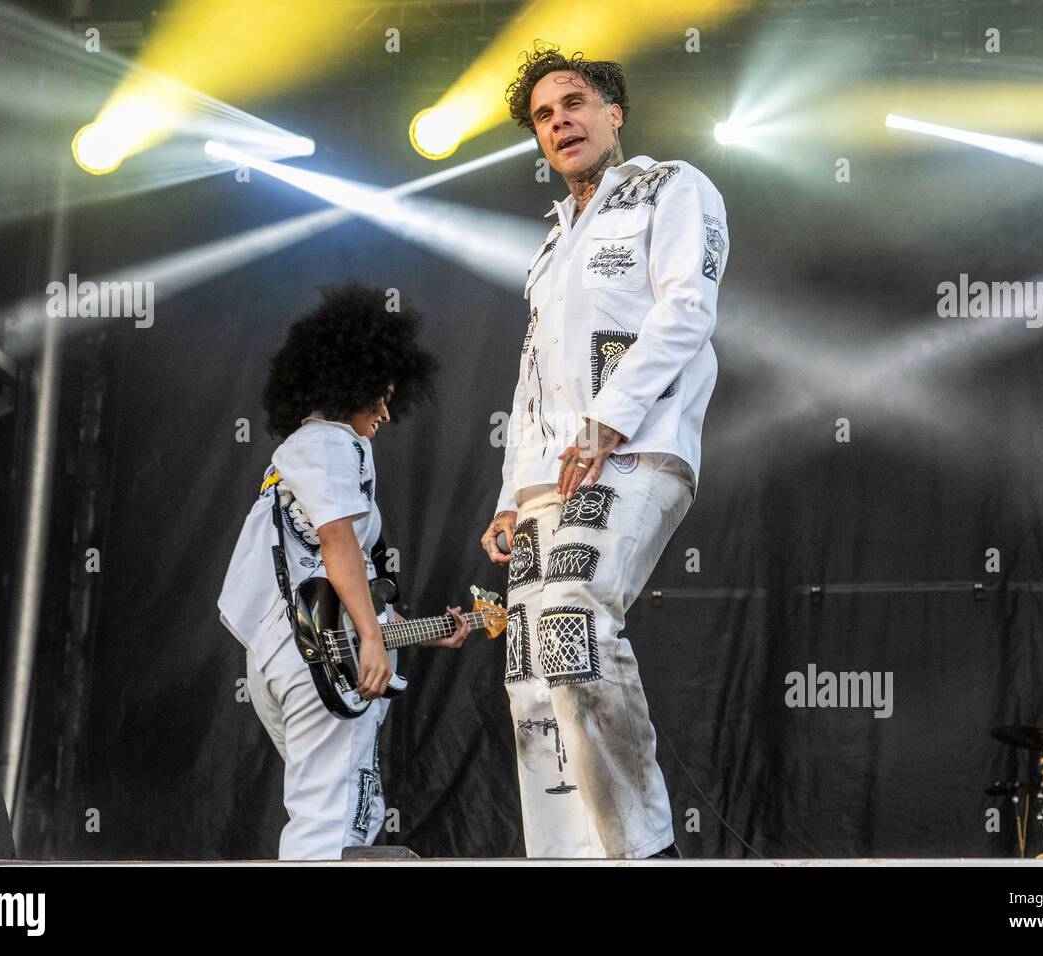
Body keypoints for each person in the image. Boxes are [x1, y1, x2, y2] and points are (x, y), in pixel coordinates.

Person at [481, 44, 729, 858]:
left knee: (574, 625)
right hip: (552, 480)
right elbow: (531, 380)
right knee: (529, 671)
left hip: (637, 448)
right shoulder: (550, 250)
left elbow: (688, 309)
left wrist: (609, 420)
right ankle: (568, 856)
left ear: (614, 113)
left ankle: (645, 850)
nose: (561, 123)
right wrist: (512, 493)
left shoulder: (673, 188)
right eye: (545, 117)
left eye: (575, 103)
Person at [219, 282, 470, 860]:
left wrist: (423, 630)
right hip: (314, 652)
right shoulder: (331, 443)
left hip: (297, 648)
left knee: (347, 817)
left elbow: (343, 571)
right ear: (346, 385)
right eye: (377, 398)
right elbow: (336, 543)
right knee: (325, 828)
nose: (386, 412)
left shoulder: (304, 457)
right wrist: (376, 640)